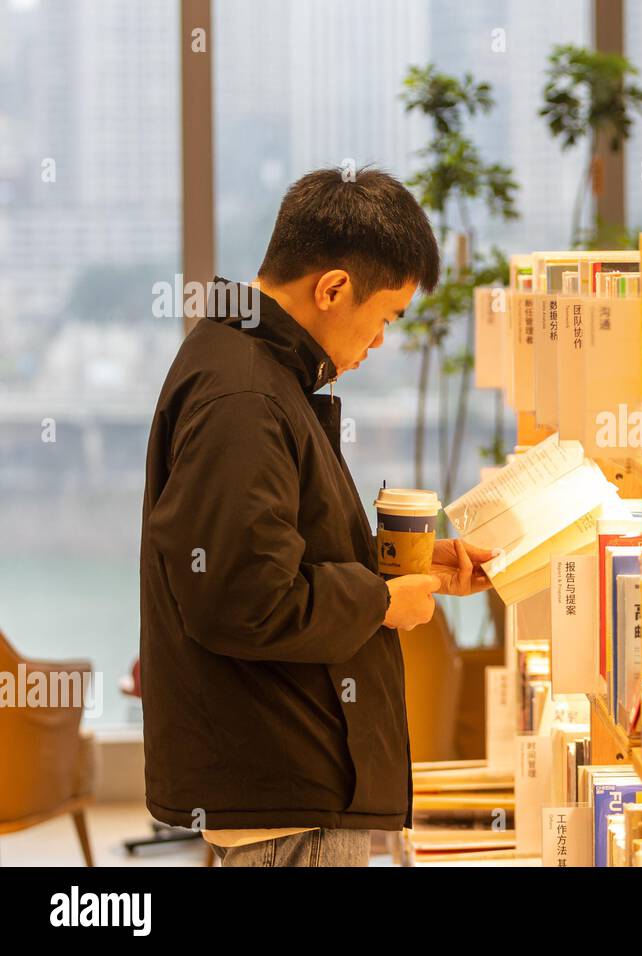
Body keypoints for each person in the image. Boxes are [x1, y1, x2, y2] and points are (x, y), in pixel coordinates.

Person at [139, 167, 493, 867]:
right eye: (386, 317)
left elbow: (277, 551)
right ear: (332, 289)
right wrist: (385, 601)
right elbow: (245, 598)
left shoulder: (253, 369)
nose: (382, 340)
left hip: (287, 779)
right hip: (283, 792)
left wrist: (404, 567)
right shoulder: (243, 394)